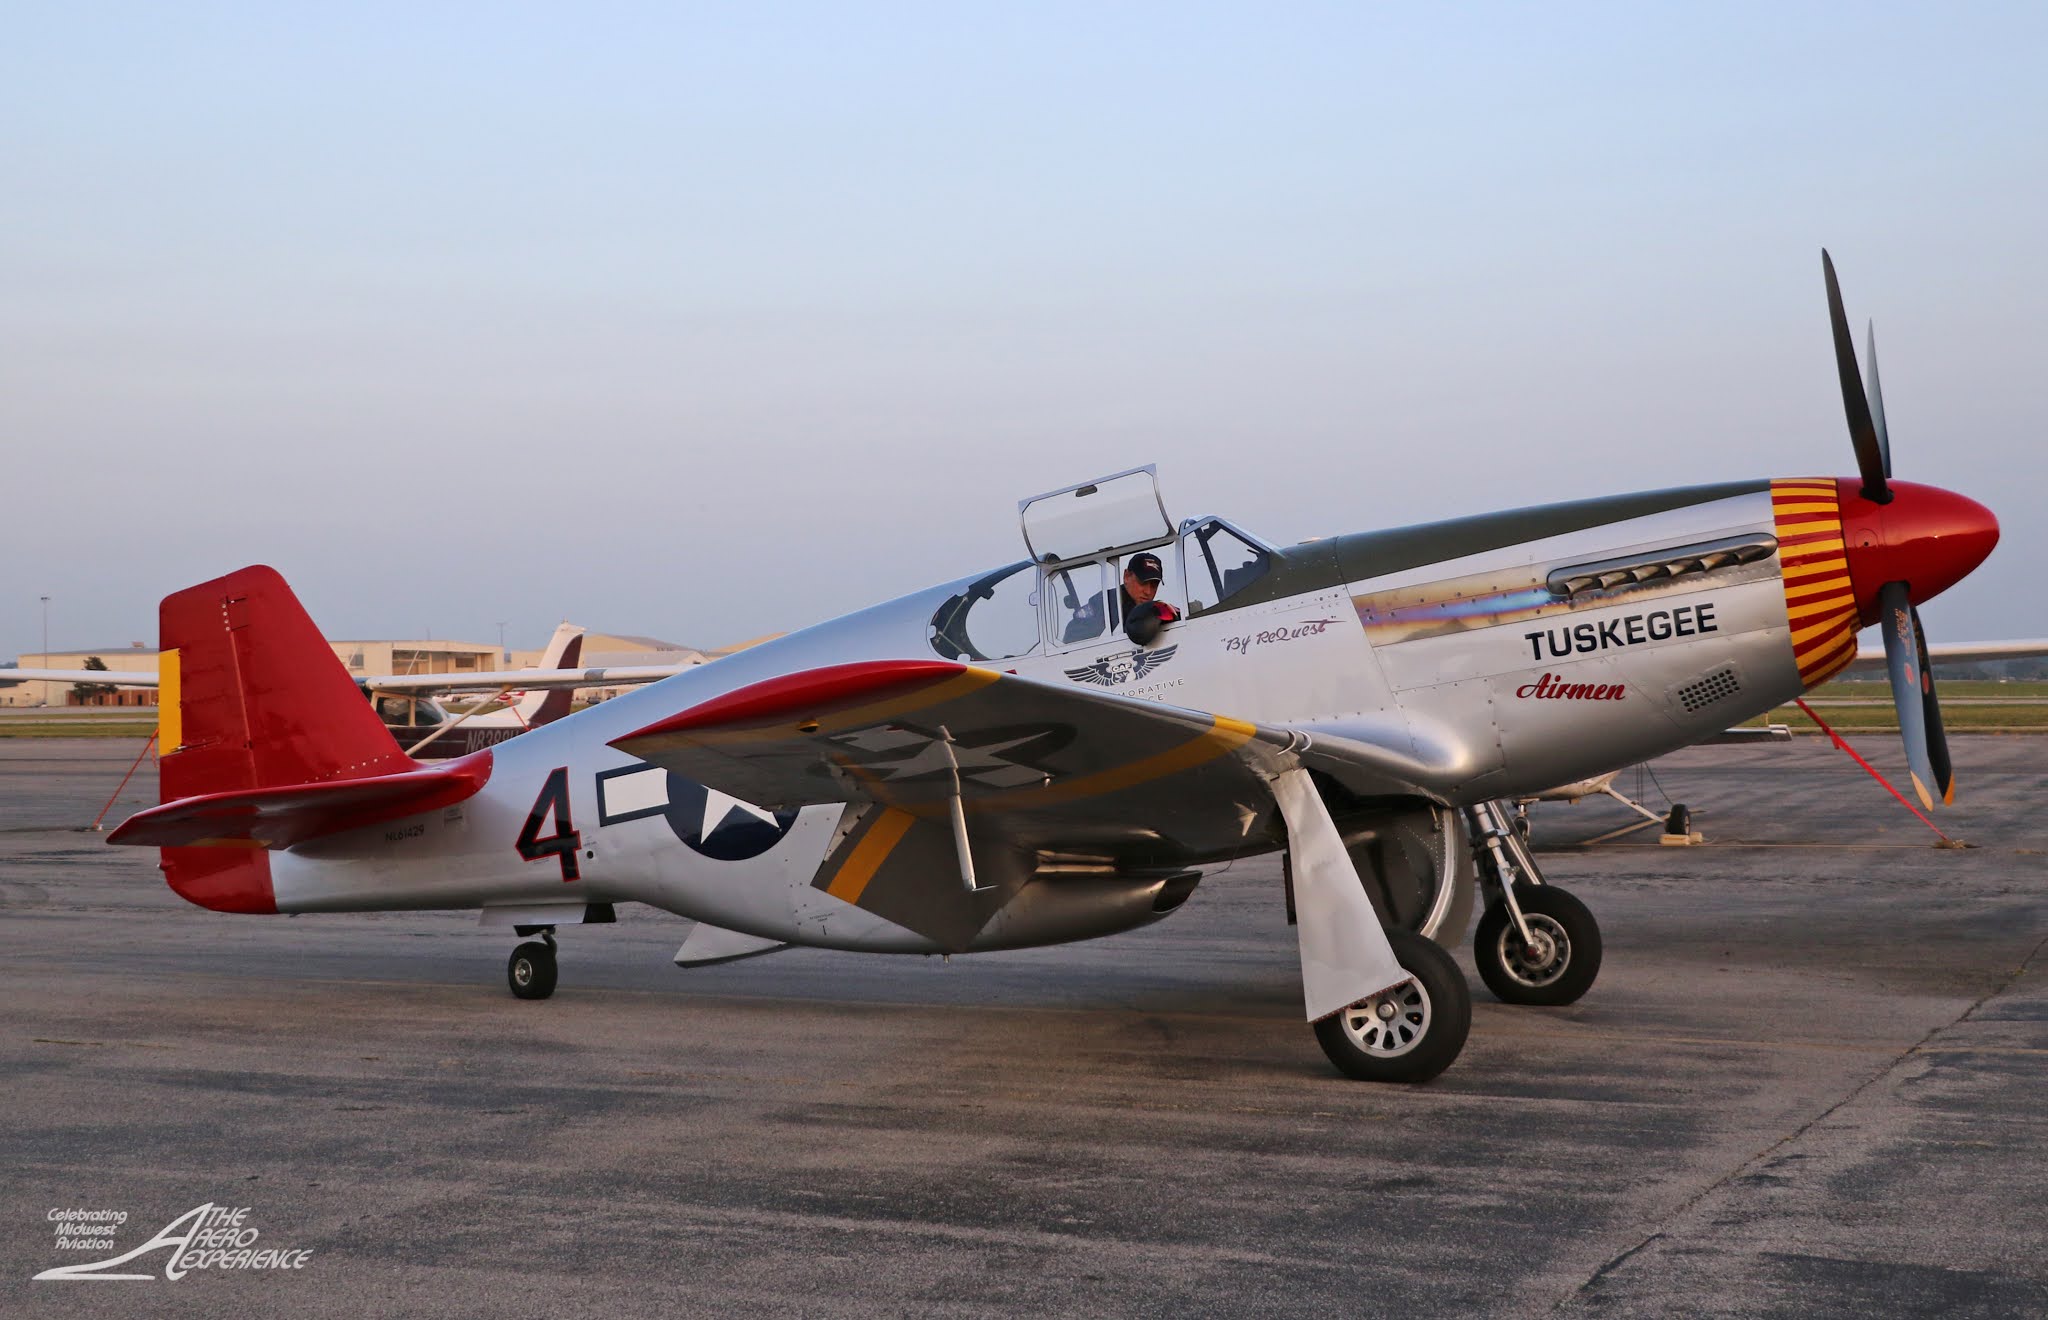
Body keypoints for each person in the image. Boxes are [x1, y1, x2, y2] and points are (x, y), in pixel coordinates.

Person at [1062, 551, 1180, 644]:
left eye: (1154, 585)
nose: (1148, 591)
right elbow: (1073, 636)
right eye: (1142, 583)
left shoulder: (1154, 609)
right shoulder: (1105, 604)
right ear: (1126, 576)